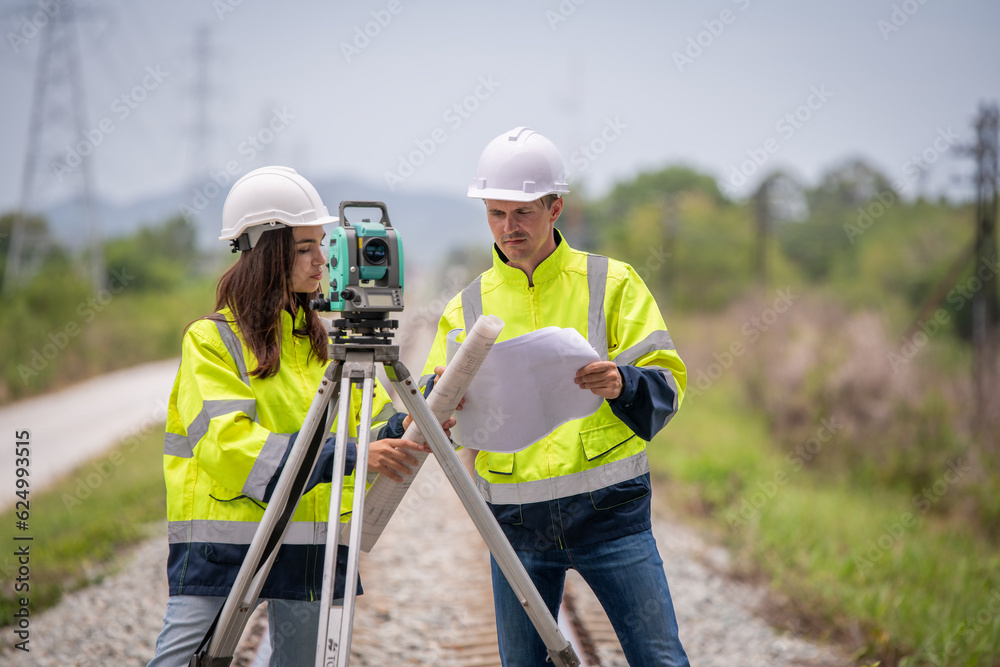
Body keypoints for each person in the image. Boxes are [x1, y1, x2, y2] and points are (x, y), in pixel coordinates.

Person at [149, 166, 450, 666]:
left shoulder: (320, 343)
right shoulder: (211, 341)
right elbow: (231, 448)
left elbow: (363, 424)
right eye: (304, 248)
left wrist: (413, 419)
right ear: (267, 253)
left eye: (322, 245)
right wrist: (353, 455)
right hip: (227, 546)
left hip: (312, 541)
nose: (322, 261)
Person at [422, 128, 690, 666]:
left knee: (659, 658)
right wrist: (444, 411)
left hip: (610, 511)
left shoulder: (613, 282)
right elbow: (435, 403)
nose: (508, 228)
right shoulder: (466, 307)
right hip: (516, 524)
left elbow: (668, 382)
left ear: (555, 207)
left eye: (521, 213)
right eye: (496, 214)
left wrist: (623, 382)